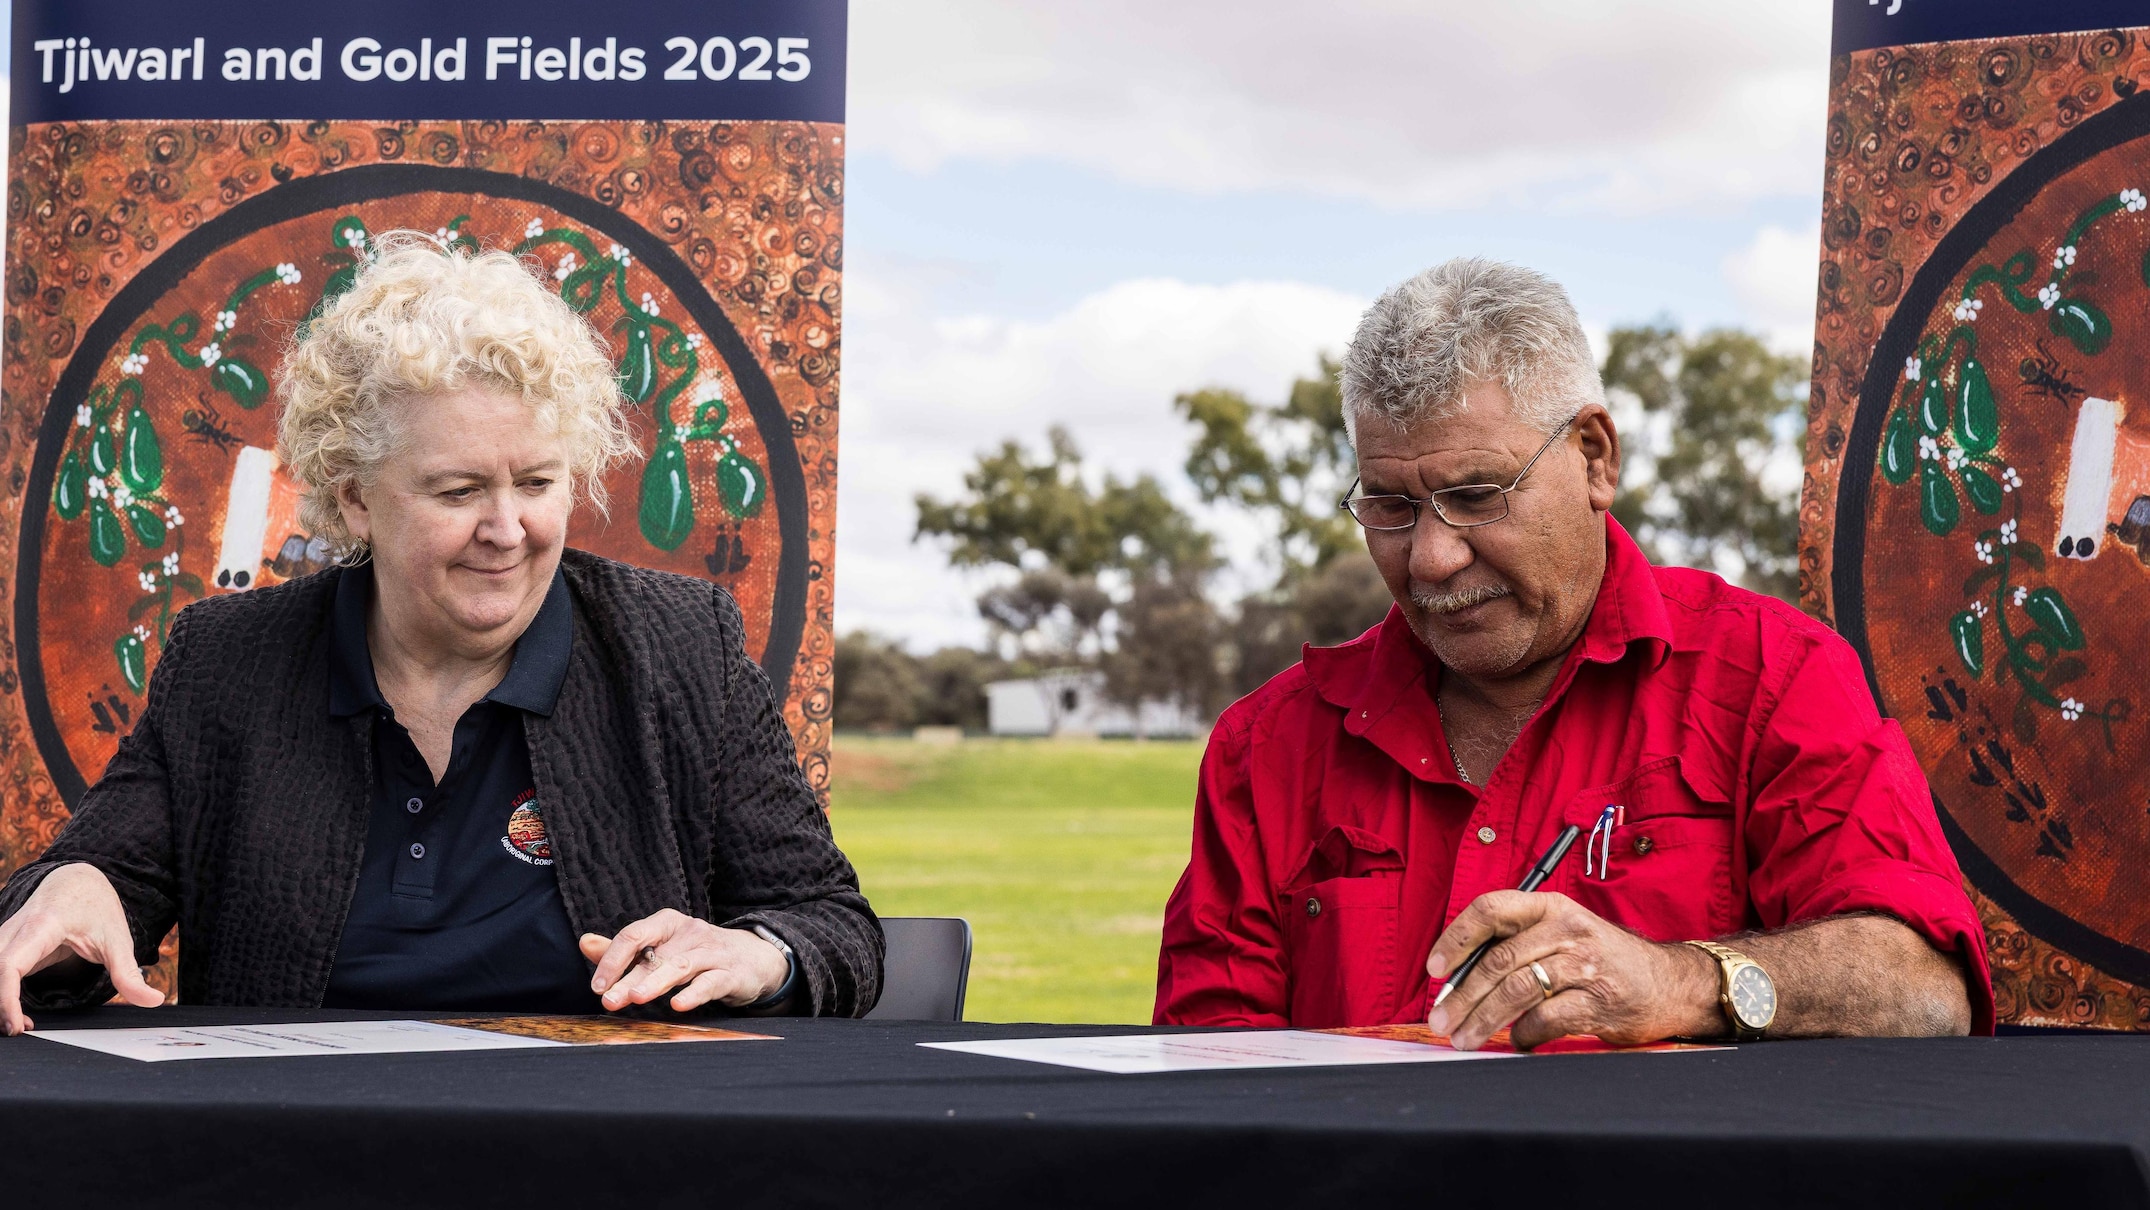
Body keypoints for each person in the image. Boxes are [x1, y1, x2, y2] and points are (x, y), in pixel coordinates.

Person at [0, 235, 881, 1034]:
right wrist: (68, 892)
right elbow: (98, 885)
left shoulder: (682, 648)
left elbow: (833, 924)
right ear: (355, 497)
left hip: (602, 1132)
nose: (507, 530)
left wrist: (760, 954)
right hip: (290, 1130)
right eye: (459, 492)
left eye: (536, 483)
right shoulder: (227, 662)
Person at [1154, 258, 1990, 1048]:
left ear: (1595, 456)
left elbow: (1925, 989)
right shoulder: (1266, 747)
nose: (1431, 558)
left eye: (1476, 496)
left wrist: (1680, 983)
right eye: (1390, 507)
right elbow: (1205, 1076)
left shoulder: (1775, 676)